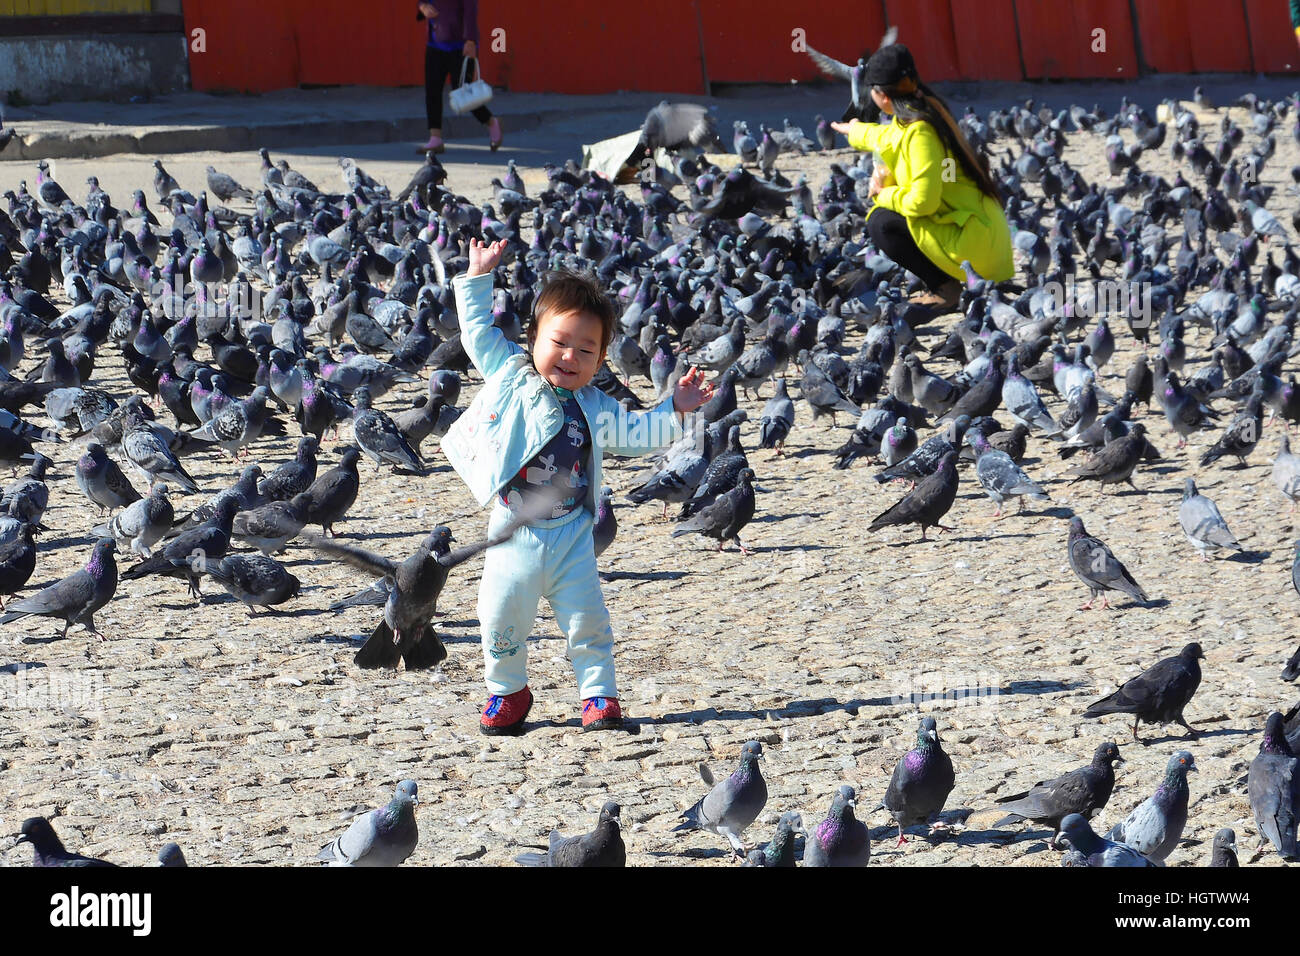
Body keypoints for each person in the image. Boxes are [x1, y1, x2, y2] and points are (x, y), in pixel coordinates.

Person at [441, 239, 716, 735]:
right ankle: (508, 690)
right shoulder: (510, 373)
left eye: (586, 350)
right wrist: (478, 278)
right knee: (499, 617)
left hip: (572, 534)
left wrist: (674, 408)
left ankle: (599, 694)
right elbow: (477, 332)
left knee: (588, 620)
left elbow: (637, 436)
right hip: (512, 529)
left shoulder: (596, 404)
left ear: (602, 357)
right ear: (532, 339)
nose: (571, 356)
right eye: (559, 342)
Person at [831, 44, 1012, 311]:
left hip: (974, 247)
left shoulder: (920, 133)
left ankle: (945, 289)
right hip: (982, 231)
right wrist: (854, 130)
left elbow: (923, 203)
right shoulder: (926, 109)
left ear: (882, 95)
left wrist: (883, 193)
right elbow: (887, 137)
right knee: (887, 211)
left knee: (881, 221)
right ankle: (954, 284)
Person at [416, 1, 502, 153]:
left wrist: (470, 40)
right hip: (435, 43)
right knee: (432, 91)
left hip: (460, 45)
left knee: (464, 94)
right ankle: (435, 139)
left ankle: (491, 122)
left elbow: (471, 9)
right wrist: (422, 6)